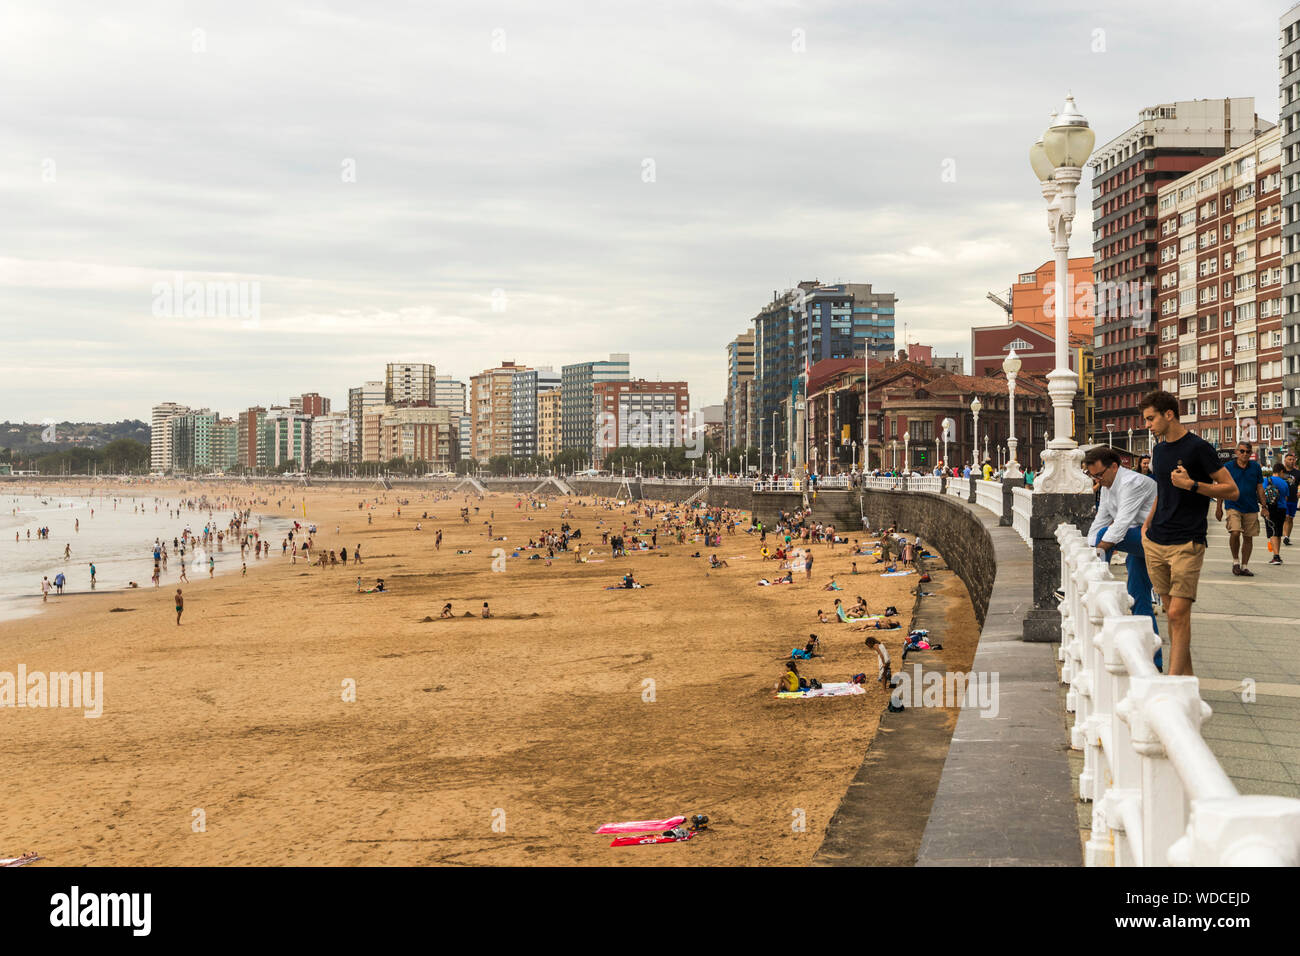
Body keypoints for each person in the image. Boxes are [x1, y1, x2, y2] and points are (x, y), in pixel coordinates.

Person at [1140, 390, 1239, 677]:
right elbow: (1162, 491)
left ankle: (1172, 683)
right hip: (1156, 540)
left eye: (1151, 419)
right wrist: (1146, 526)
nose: (1147, 425)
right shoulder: (1159, 450)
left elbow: (1231, 490)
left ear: (1169, 414)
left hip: (1187, 541)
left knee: (1177, 614)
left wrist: (1193, 485)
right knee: (1173, 614)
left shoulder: (1199, 448)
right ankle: (1187, 680)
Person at [1085, 446, 1160, 666]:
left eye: (1100, 475)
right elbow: (1100, 519)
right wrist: (1089, 549)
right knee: (1139, 600)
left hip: (1156, 538)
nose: (1098, 480)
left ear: (1114, 467)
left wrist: (1098, 551)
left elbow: (1120, 524)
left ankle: (1096, 582)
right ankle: (1154, 661)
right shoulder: (1108, 486)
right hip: (1140, 542)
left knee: (1105, 535)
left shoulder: (1132, 483)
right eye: (1093, 477)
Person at [1218, 441, 1265, 577]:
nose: (1245, 454)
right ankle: (1235, 562)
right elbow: (1221, 486)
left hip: (1251, 507)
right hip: (1233, 505)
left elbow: (1260, 488)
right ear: (1236, 452)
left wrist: (1264, 506)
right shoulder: (1228, 467)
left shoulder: (1255, 467)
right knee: (1235, 532)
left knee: (1248, 537)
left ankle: (1244, 566)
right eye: (1242, 451)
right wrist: (1219, 507)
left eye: (1248, 452)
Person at [1263, 462, 1290, 566]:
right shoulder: (1284, 483)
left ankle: (1276, 556)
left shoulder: (1266, 480)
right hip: (1282, 508)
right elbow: (1286, 497)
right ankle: (1277, 554)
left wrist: (1263, 508)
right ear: (1281, 471)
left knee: (1272, 532)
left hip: (1270, 509)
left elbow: (1262, 494)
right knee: (1278, 532)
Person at [1282, 451, 1299, 546]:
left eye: (1293, 460)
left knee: (1291, 519)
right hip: (1283, 499)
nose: (1292, 461)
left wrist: (1299, 491)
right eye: (1290, 459)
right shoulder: (1281, 472)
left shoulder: (1297, 473)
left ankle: (1287, 537)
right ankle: (1285, 536)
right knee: (1286, 517)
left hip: (1293, 499)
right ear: (1285, 461)